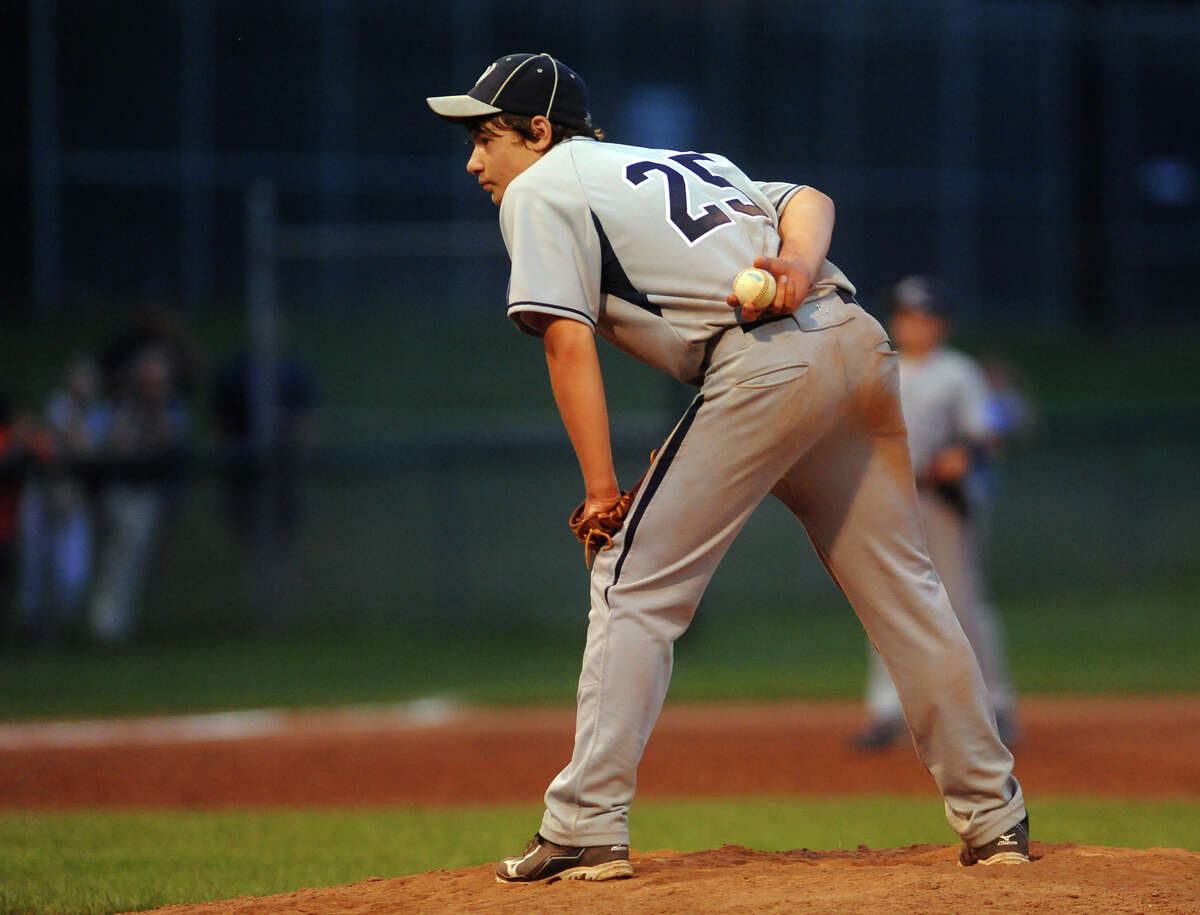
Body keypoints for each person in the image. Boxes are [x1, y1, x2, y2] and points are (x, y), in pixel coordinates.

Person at [427, 53, 1029, 882]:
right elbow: (809, 201)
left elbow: (566, 341)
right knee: (909, 590)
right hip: (853, 342)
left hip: (765, 366)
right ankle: (996, 818)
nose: (473, 160)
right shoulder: (691, 163)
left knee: (629, 581)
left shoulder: (539, 188)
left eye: (485, 136)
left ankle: (584, 824)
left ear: (539, 130)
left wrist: (603, 489)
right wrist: (799, 264)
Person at [851, 277, 1020, 750]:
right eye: (907, 316)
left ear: (941, 324)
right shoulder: (882, 367)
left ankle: (996, 706)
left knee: (962, 605)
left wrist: (965, 452)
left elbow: (986, 431)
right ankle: (889, 711)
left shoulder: (957, 372)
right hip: (889, 503)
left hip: (944, 503)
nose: (915, 325)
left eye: (924, 317)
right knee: (885, 605)